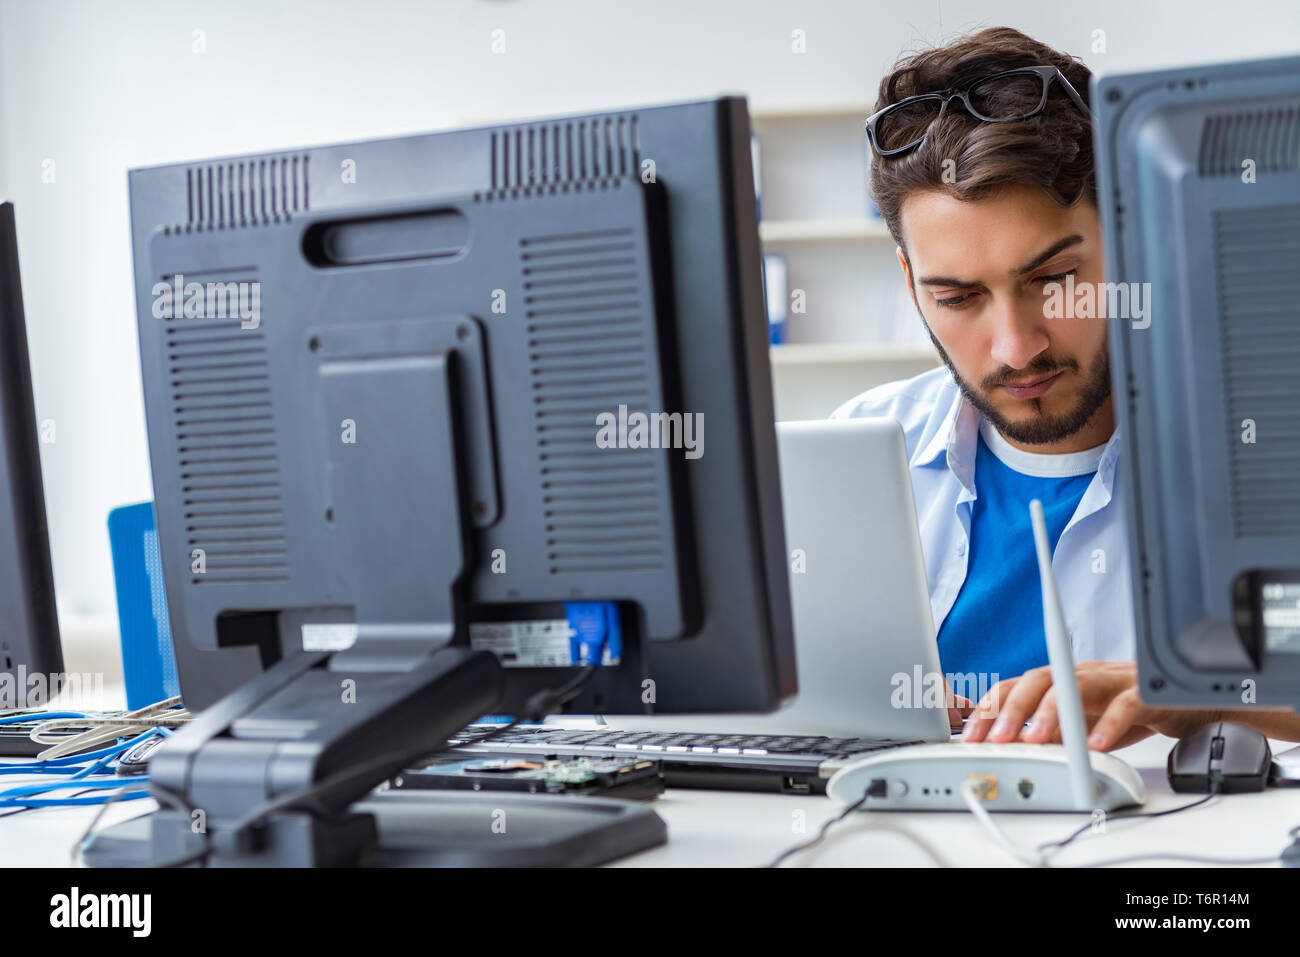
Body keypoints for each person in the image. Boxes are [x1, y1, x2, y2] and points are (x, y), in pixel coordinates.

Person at [836, 26, 1300, 749]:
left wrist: (1183, 691)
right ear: (911, 286)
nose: (1017, 346)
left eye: (1052, 280)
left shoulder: (1260, 452)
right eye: (958, 297)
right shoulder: (857, 451)